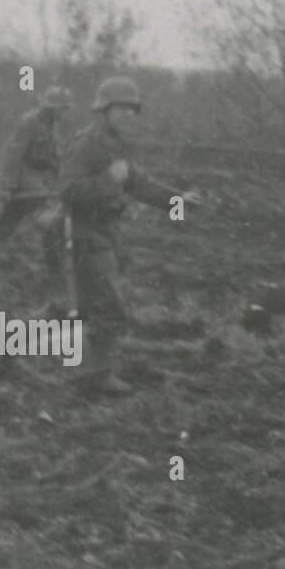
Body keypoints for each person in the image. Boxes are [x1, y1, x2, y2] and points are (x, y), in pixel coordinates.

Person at [57, 76, 200, 398]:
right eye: (121, 109)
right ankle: (98, 376)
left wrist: (177, 200)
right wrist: (108, 179)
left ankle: (10, 345)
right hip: (84, 232)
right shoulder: (87, 144)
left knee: (77, 307)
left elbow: (137, 182)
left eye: (132, 110)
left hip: (105, 231)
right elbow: (67, 191)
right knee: (108, 307)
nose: (128, 115)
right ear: (104, 109)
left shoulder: (116, 144)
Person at [0, 86, 72, 274]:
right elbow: (13, 154)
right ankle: (56, 271)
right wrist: (7, 186)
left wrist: (66, 176)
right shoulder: (30, 122)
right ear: (52, 108)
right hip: (25, 184)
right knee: (44, 224)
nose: (64, 114)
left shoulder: (49, 126)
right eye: (62, 109)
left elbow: (53, 160)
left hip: (37, 184)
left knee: (5, 225)